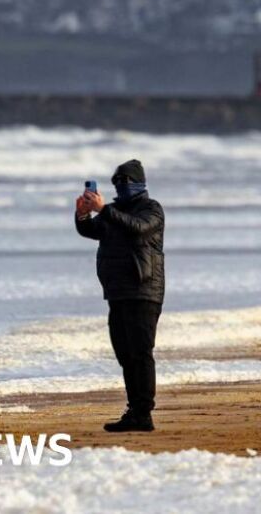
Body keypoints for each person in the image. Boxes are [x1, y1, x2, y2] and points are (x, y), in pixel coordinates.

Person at [75, 159, 165, 432]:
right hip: (116, 291)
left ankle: (143, 413)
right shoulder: (111, 212)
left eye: (125, 182)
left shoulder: (152, 209)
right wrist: (82, 215)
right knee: (124, 353)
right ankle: (134, 411)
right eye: (117, 182)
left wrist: (103, 209)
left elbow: (136, 228)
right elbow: (91, 230)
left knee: (140, 351)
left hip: (143, 289)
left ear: (139, 183)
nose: (121, 187)